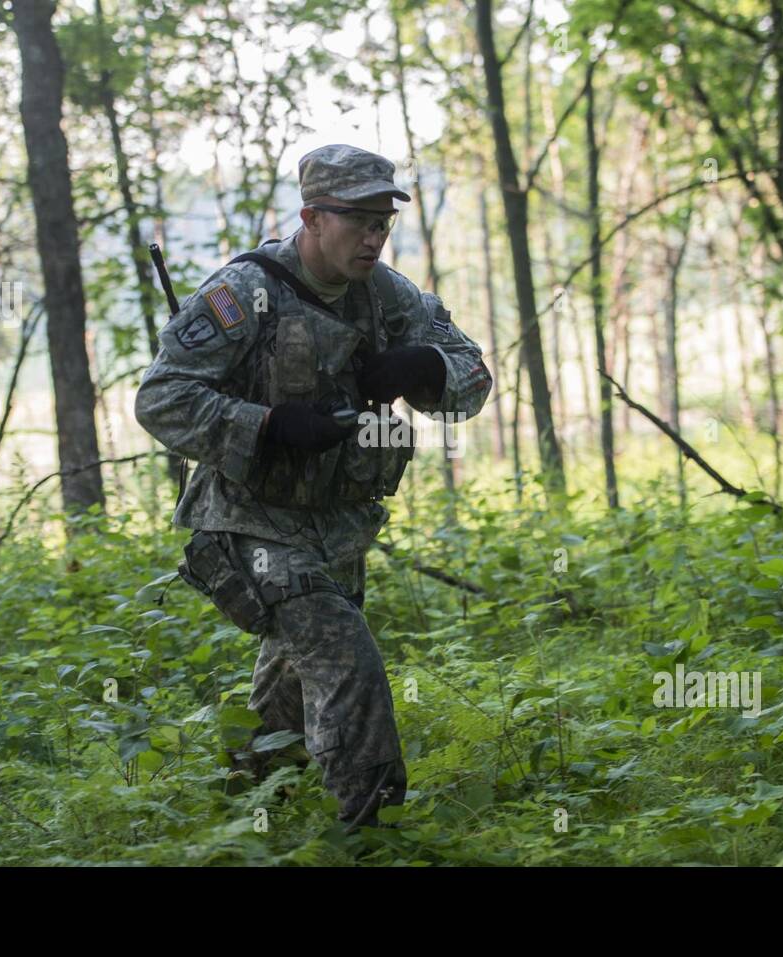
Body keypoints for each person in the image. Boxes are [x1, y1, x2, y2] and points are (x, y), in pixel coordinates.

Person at [134, 143, 493, 831]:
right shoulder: (244, 292)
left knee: (290, 688)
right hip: (250, 526)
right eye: (357, 220)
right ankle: (373, 830)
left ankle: (252, 816)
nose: (372, 237)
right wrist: (265, 425)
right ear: (311, 216)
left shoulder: (386, 296)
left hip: (335, 530)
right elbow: (161, 398)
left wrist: (423, 366)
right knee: (347, 662)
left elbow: (472, 378)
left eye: (382, 223)